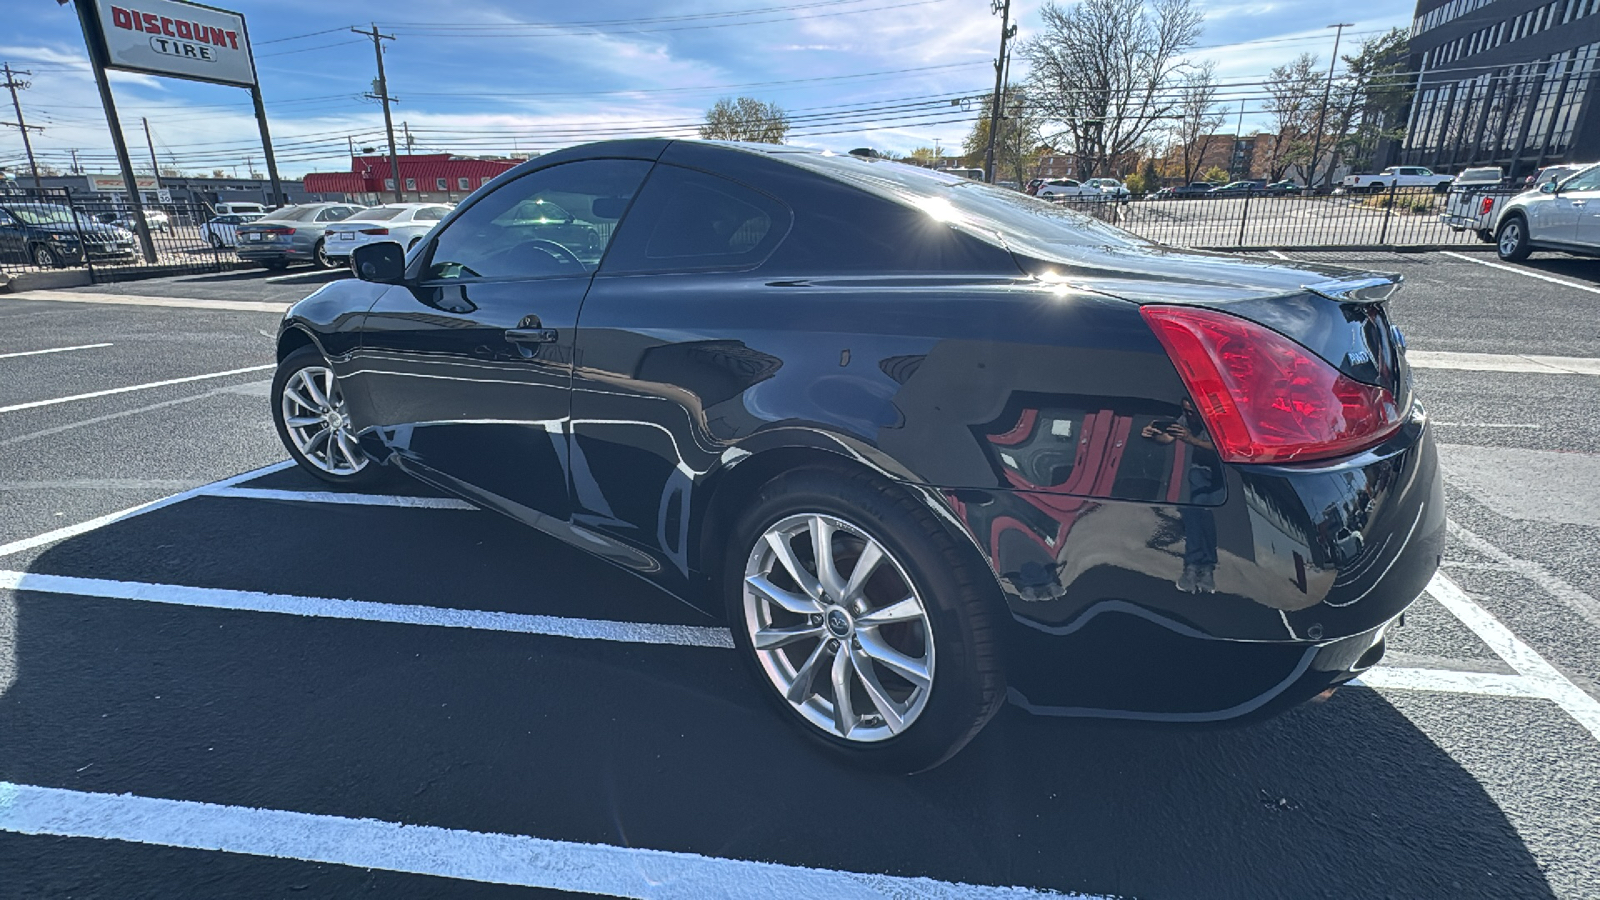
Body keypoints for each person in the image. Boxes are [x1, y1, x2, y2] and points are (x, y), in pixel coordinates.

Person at [1140, 400, 1221, 593]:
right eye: (1186, 411)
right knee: (1194, 510)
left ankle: (1205, 565)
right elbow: (1168, 438)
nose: (1189, 415)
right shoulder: (1185, 419)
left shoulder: (1218, 420)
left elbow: (1221, 447)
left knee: (1206, 513)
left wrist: (1192, 440)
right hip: (1199, 470)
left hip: (1223, 471)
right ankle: (1195, 565)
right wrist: (1153, 436)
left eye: (1193, 411)